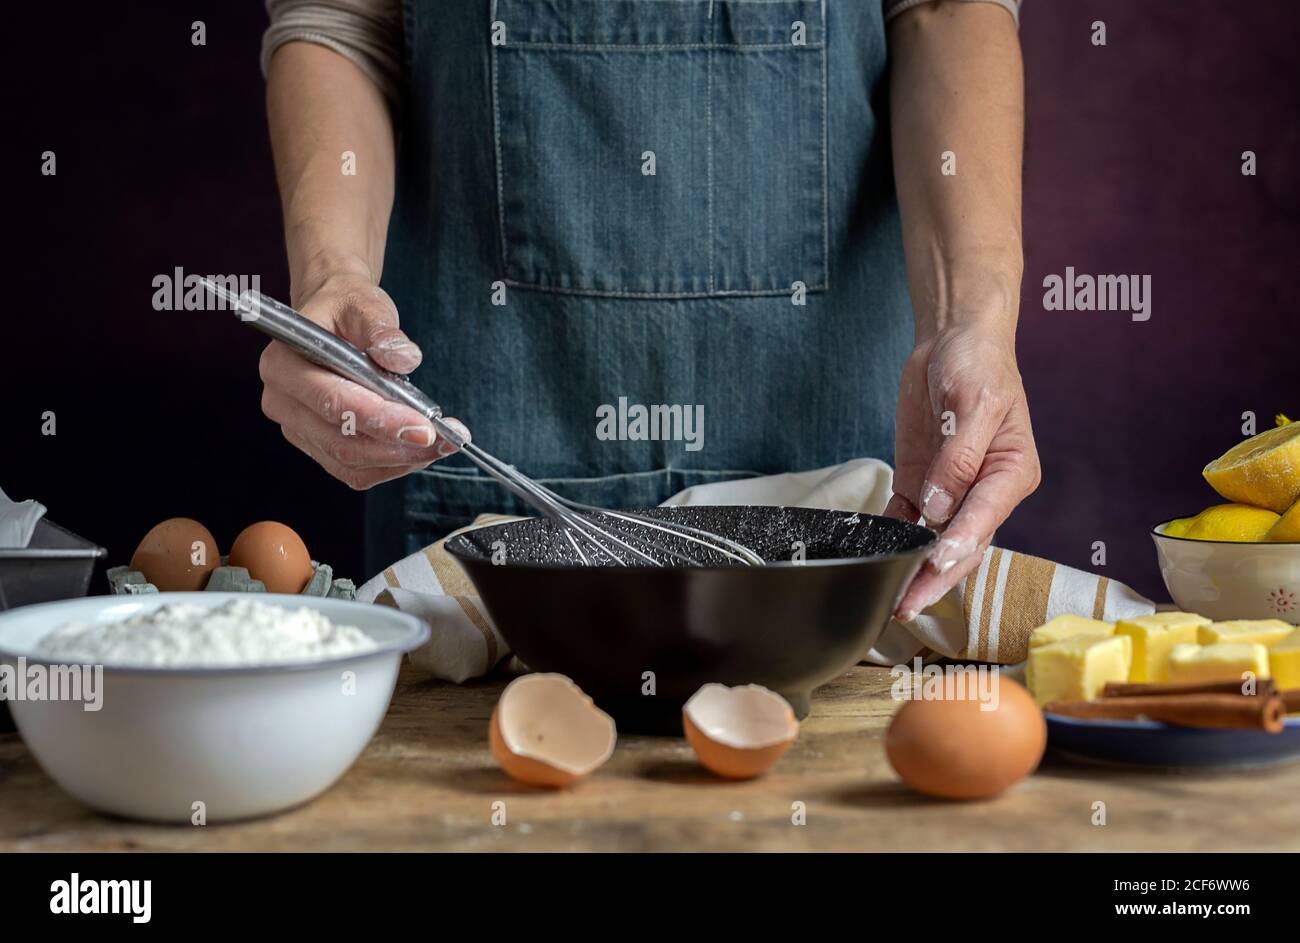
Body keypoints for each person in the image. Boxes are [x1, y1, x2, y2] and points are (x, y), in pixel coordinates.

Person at [258, 0, 1039, 621]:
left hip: (830, 468)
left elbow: (945, 8)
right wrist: (335, 272)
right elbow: (343, 24)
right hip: (483, 465)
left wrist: (969, 318)